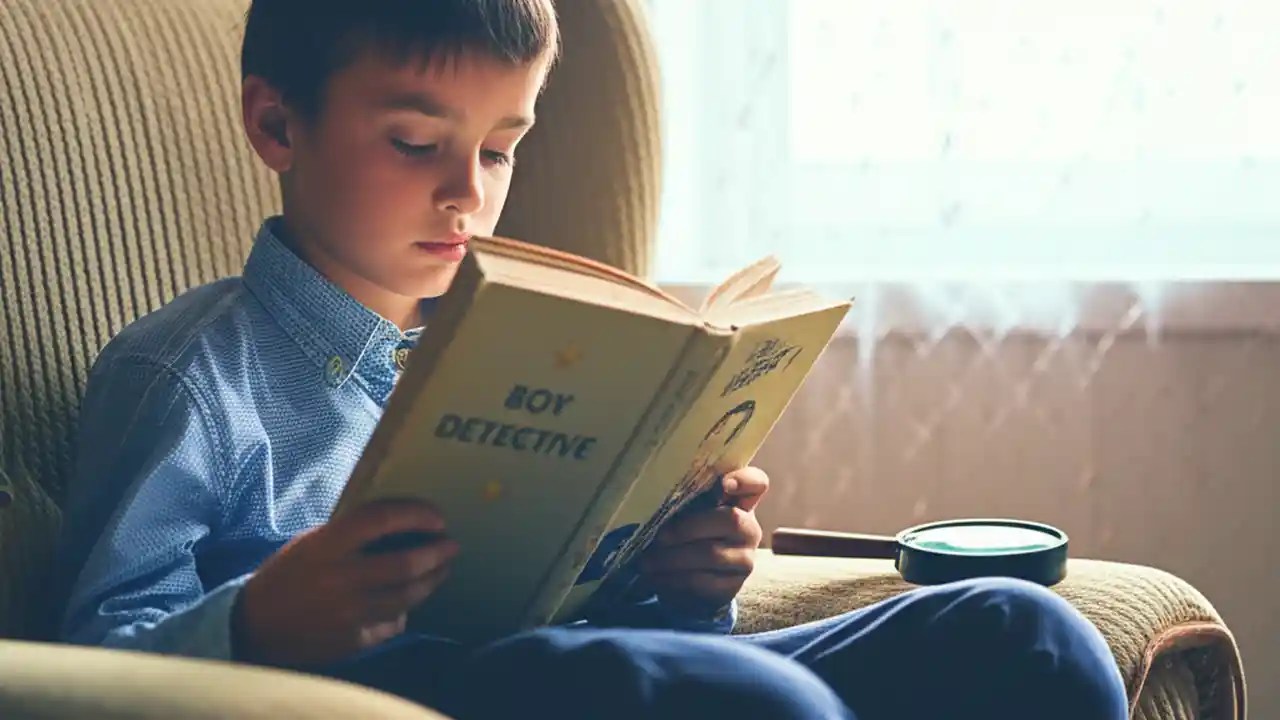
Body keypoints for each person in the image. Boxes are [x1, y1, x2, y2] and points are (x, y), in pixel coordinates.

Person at [52, 1, 1128, 718]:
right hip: (399, 696)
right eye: (418, 143)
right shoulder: (193, 377)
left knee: (1025, 633)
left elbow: (611, 629)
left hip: (574, 672)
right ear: (277, 123)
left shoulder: (528, 353)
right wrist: (256, 620)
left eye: (500, 147)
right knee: (763, 708)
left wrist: (683, 573)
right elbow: (90, 659)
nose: (467, 190)